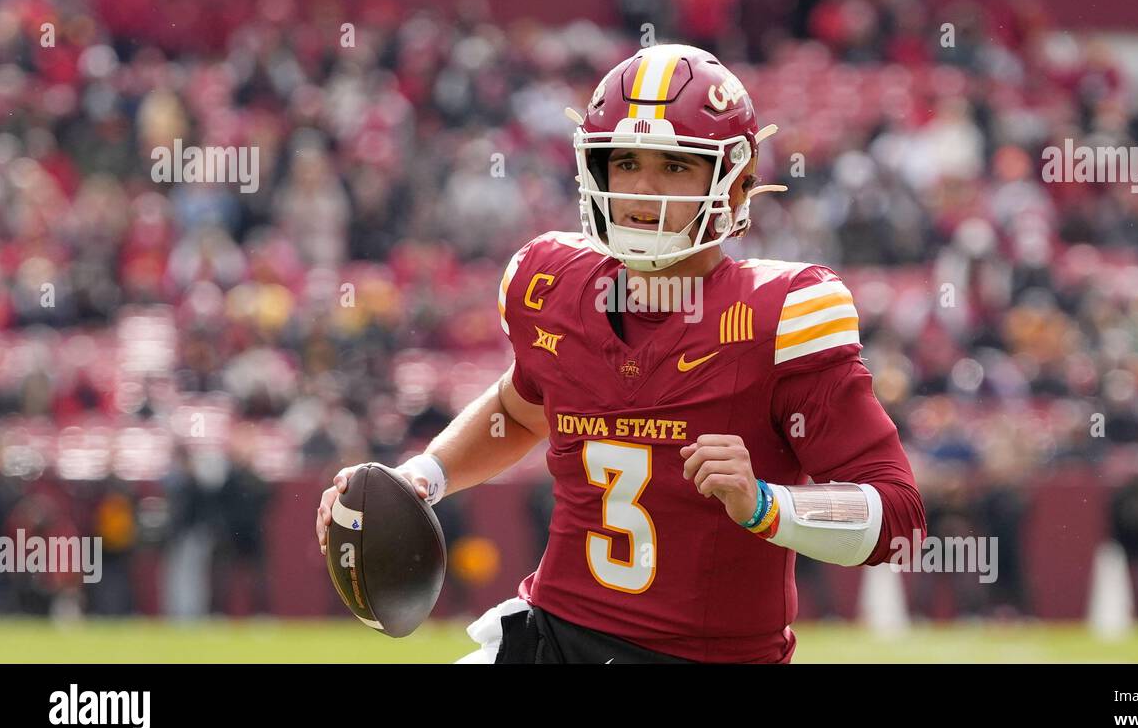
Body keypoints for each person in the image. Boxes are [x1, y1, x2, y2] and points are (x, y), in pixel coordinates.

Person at [315, 44, 926, 663]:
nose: (642, 190)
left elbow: (901, 518)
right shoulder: (550, 283)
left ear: (733, 182)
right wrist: (422, 477)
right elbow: (523, 409)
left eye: (676, 166)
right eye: (626, 162)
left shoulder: (781, 314)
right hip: (552, 636)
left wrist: (767, 504)